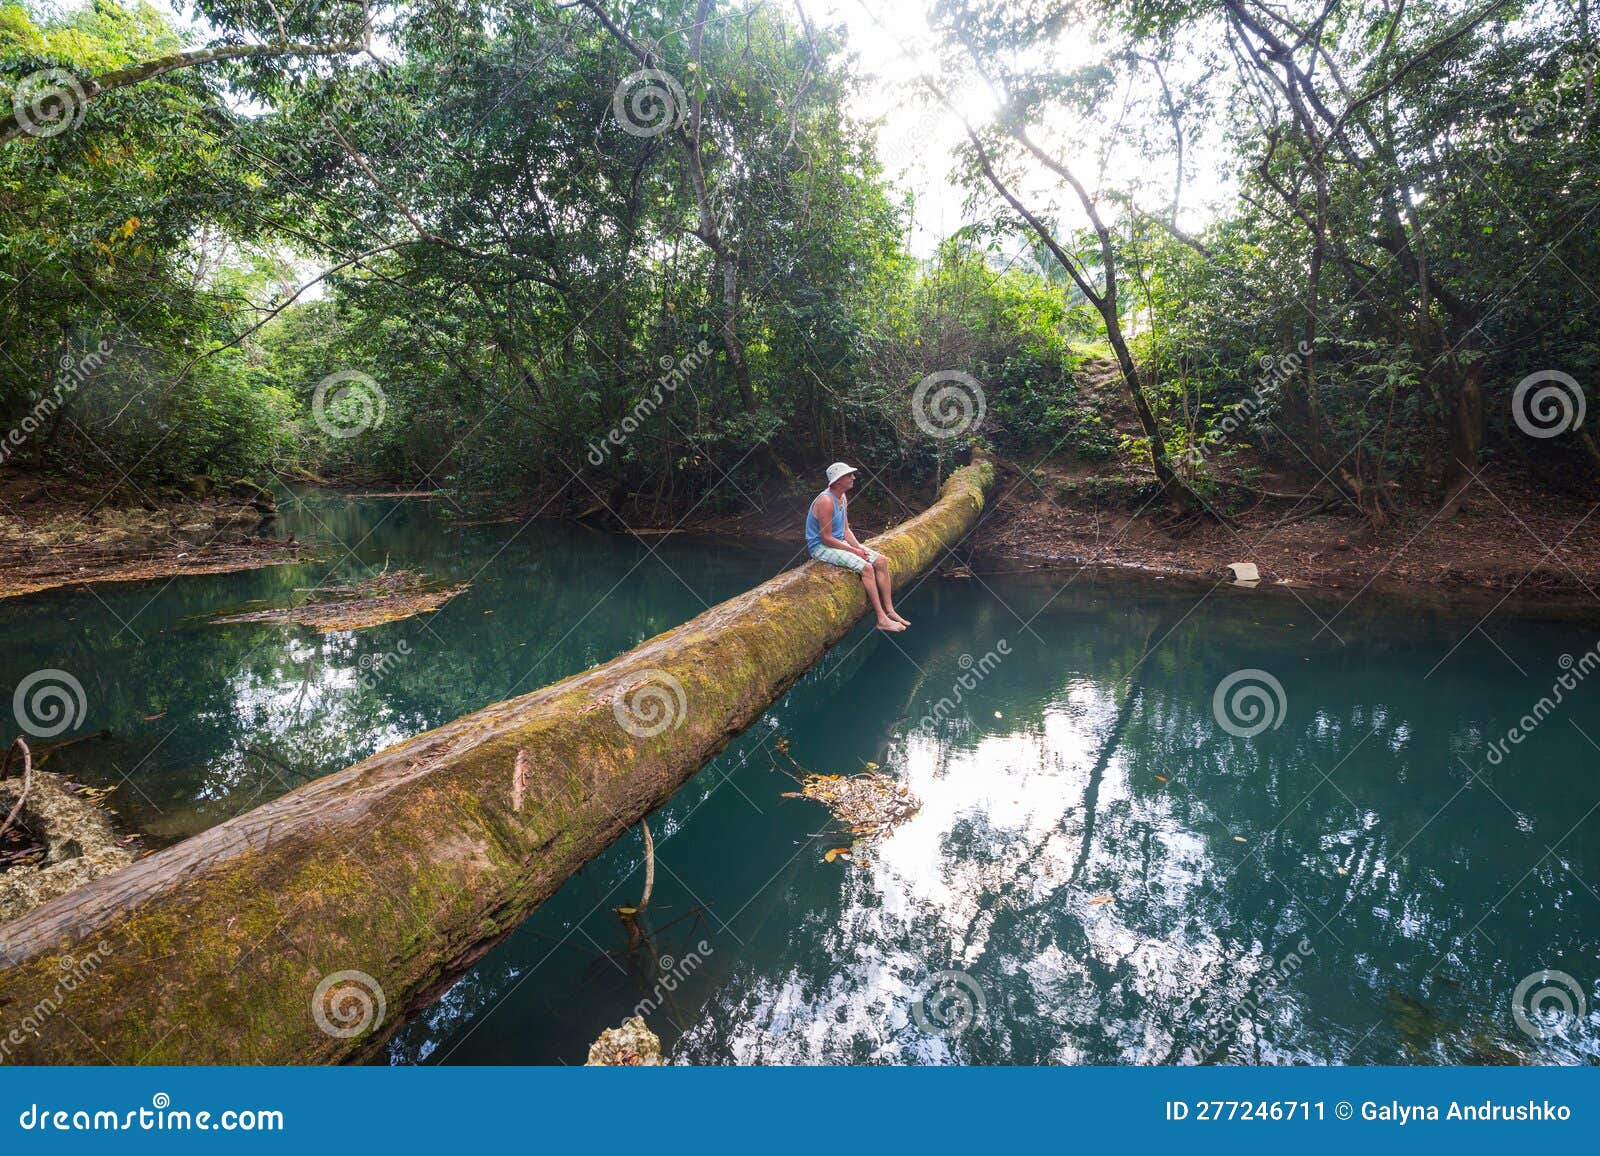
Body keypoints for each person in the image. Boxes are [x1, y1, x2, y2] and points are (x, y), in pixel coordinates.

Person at [805, 462, 910, 633]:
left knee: (881, 561)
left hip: (837, 543)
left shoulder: (843, 497)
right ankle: (881, 619)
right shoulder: (826, 501)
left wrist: (860, 548)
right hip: (820, 547)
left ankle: (890, 610)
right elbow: (825, 538)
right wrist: (855, 552)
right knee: (867, 568)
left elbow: (846, 530)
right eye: (849, 475)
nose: (853, 477)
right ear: (838, 480)